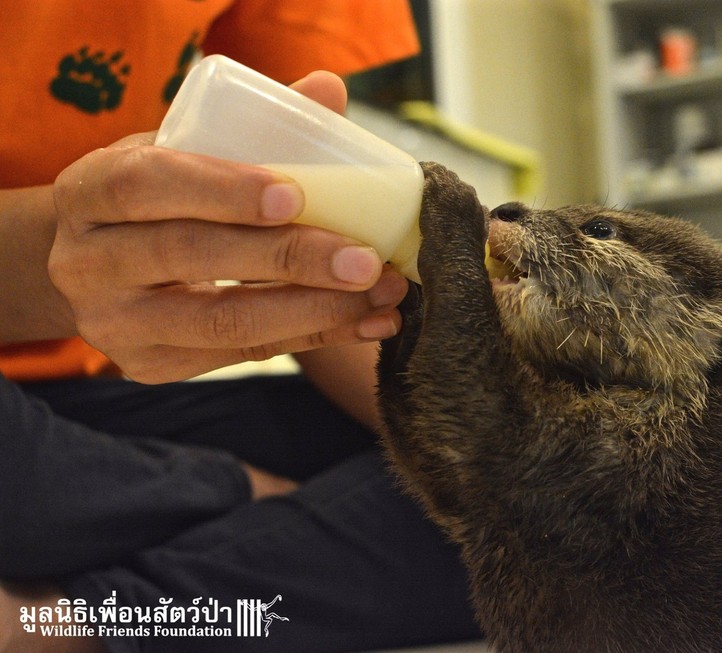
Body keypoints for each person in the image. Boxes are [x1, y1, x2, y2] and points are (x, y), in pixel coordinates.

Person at [0, 2, 481, 652]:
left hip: (95, 399)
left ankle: (66, 619)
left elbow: (309, 224)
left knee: (543, 514)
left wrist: (492, 435)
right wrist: (232, 487)